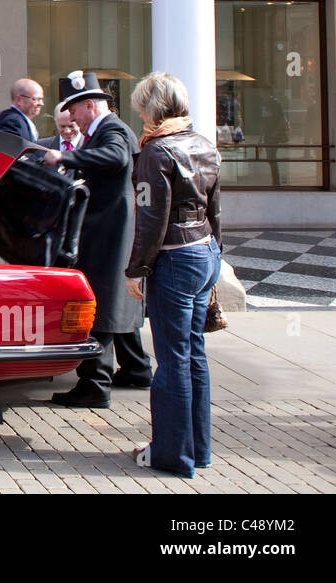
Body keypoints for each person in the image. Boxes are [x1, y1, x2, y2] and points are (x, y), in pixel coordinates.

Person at [124, 71, 222, 478]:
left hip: (175, 259)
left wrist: (136, 270)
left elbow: (151, 221)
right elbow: (215, 211)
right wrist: (218, 258)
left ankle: (171, 455)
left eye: (141, 107)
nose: (139, 115)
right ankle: (197, 451)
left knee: (172, 360)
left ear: (151, 108)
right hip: (205, 252)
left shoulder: (157, 153)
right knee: (194, 355)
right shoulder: (204, 145)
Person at [41, 70, 146, 407]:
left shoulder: (112, 130)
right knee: (115, 301)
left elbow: (115, 159)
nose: (72, 117)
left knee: (98, 304)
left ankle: (95, 386)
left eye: (74, 109)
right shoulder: (109, 129)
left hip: (109, 232)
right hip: (111, 230)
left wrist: (65, 156)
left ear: (90, 105)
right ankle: (137, 370)